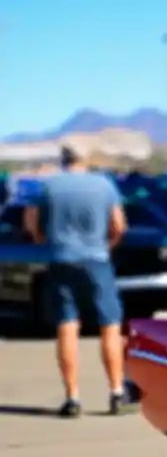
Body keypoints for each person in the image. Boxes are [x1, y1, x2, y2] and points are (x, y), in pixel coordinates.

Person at [22, 146, 134, 417]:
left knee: (67, 325)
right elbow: (119, 225)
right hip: (96, 259)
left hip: (61, 259)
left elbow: (31, 222)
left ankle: (72, 397)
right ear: (86, 159)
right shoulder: (103, 185)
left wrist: (44, 240)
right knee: (110, 325)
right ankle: (117, 391)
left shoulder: (49, 187)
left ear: (63, 158)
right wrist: (109, 244)